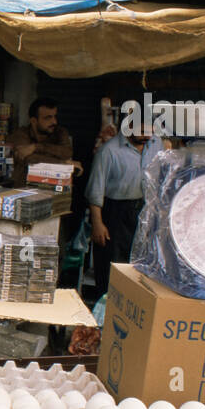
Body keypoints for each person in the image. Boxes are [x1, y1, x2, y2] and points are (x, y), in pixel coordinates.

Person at [84, 119, 164, 301]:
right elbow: (95, 191)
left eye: (151, 130)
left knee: (138, 267)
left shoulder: (155, 143)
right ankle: (106, 310)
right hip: (115, 213)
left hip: (144, 210)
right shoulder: (108, 151)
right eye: (142, 131)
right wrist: (97, 223)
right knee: (112, 268)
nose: (147, 136)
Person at [11, 97, 75, 187]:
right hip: (26, 187)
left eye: (55, 116)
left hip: (56, 186)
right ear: (34, 121)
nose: (54, 122)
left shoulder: (60, 131)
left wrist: (35, 147)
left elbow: (67, 152)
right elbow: (29, 159)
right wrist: (63, 163)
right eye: (48, 118)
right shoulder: (21, 134)